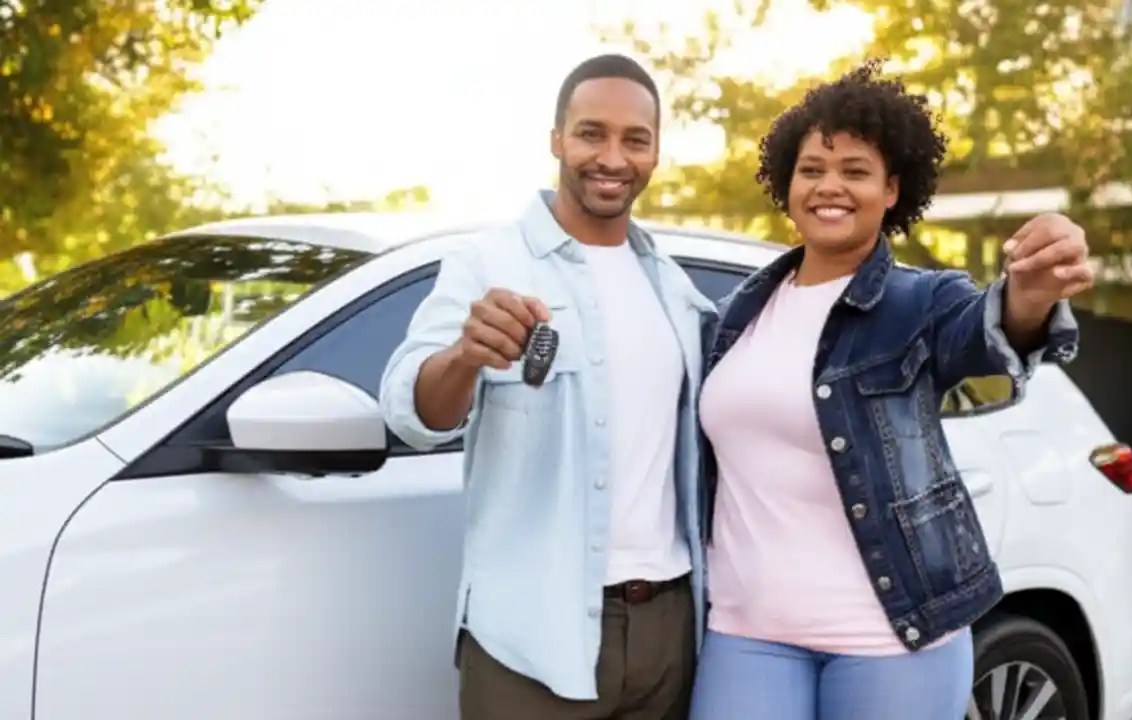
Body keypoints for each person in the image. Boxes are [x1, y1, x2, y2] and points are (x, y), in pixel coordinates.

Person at [688, 59, 1092, 719]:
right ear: (787, 181)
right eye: (812, 169)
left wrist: (1032, 293)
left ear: (892, 189)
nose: (829, 187)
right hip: (747, 635)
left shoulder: (921, 302)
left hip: (890, 640)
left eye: (855, 171)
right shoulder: (739, 312)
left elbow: (987, 331)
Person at [379, 54, 715, 720]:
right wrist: (465, 356)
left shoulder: (675, 290)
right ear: (557, 139)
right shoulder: (486, 263)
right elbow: (413, 412)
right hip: (530, 636)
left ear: (654, 154)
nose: (612, 157)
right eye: (591, 133)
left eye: (635, 139)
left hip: (668, 629)